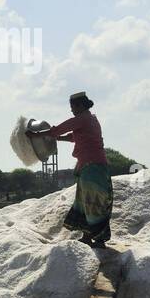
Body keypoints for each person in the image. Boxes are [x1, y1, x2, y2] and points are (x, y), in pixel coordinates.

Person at [40, 91, 112, 247]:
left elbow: (61, 128)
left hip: (93, 168)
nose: (71, 110)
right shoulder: (90, 119)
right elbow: (74, 136)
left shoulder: (83, 118)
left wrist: (36, 134)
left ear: (79, 106)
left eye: (72, 107)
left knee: (94, 202)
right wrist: (57, 137)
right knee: (85, 202)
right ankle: (87, 237)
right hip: (90, 166)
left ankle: (99, 240)